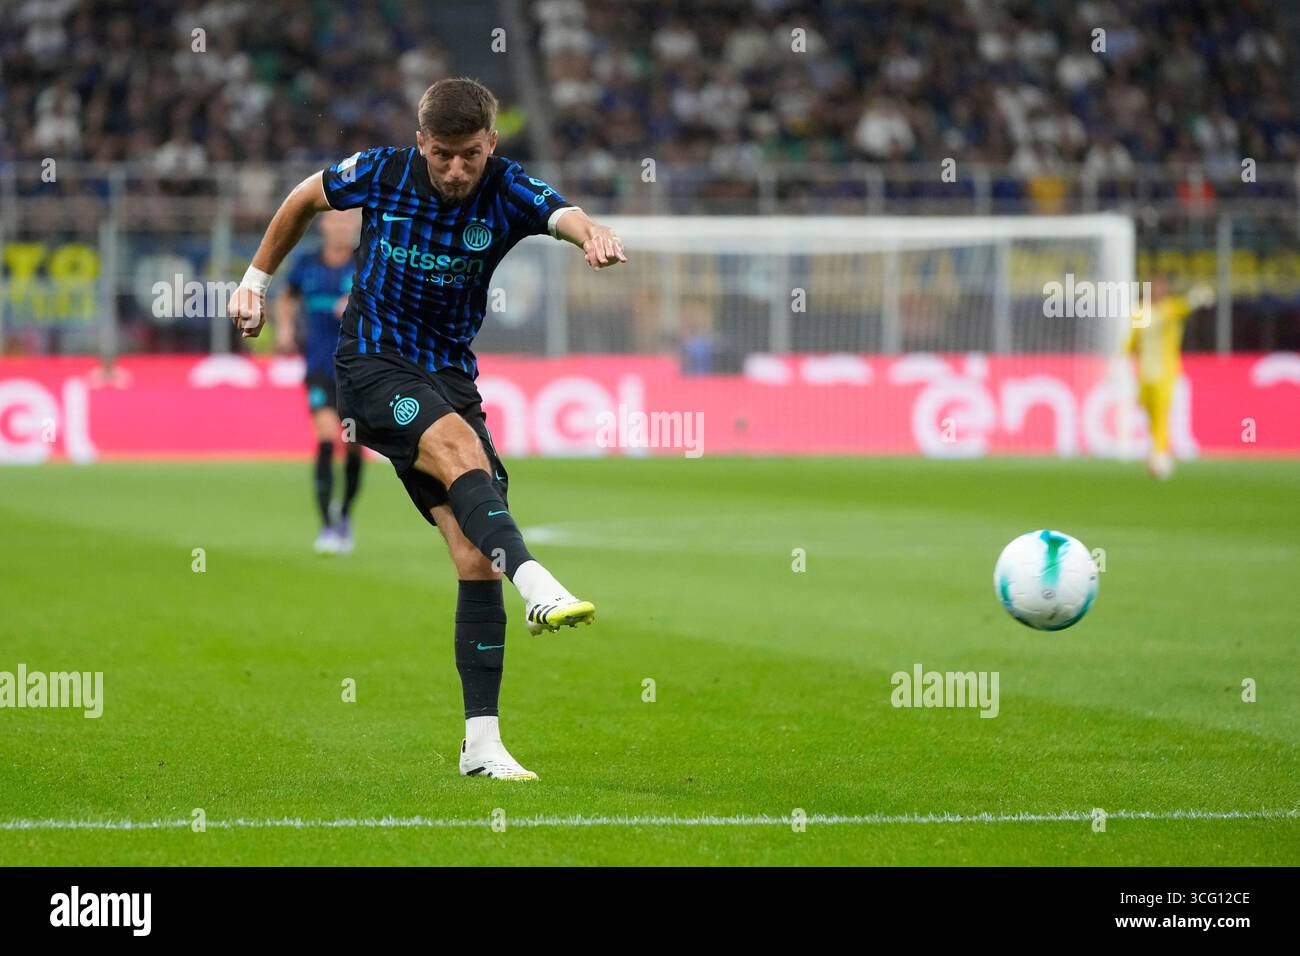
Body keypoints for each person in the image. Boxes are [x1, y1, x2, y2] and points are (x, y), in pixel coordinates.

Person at [226, 77, 627, 780]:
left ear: (491, 144)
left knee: (475, 555)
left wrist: (590, 232)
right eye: (442, 154)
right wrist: (255, 280)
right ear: (422, 144)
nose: (455, 170)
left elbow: (563, 213)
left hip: (448, 378)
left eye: (469, 154)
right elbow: (302, 197)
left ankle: (482, 745)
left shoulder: (505, 187)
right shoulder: (381, 171)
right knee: (456, 448)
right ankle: (538, 584)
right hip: (371, 366)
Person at [275, 210, 363, 554]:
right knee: (327, 437)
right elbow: (286, 297)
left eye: (347, 223)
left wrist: (359, 303)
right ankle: (327, 524)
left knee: (353, 446)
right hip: (319, 369)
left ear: (355, 226)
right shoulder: (306, 263)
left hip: (358, 371)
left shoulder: (365, 262)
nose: (340, 228)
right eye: (335, 222)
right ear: (324, 225)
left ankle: (345, 513)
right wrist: (284, 329)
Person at [1127, 275, 1214, 479]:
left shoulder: (1169, 308)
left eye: (1160, 287)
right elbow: (1132, 341)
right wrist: (1121, 357)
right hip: (1144, 374)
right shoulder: (1140, 312)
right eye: (1154, 287)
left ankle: (1160, 457)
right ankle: (1156, 454)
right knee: (1149, 417)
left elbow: (1183, 306)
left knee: (1161, 415)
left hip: (1165, 374)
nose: (1157, 291)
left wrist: (1196, 297)